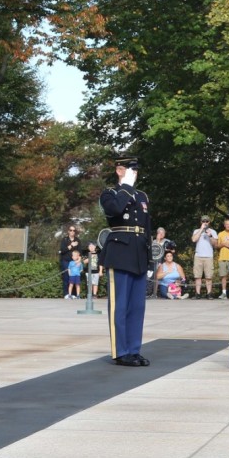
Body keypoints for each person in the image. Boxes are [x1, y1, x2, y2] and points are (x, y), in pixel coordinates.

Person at [99, 154, 153, 366]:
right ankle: (121, 351)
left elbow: (146, 227)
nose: (135, 173)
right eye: (130, 169)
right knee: (119, 306)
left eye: (136, 170)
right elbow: (115, 210)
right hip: (120, 251)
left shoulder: (142, 196)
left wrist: (149, 259)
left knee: (137, 307)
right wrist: (126, 187)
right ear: (119, 170)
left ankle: (133, 349)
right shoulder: (110, 193)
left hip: (139, 251)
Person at [191, 216, 218, 298]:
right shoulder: (196, 231)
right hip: (198, 256)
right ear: (201, 222)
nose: (205, 223)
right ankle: (197, 294)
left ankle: (209, 293)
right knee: (197, 276)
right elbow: (194, 240)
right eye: (203, 221)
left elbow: (215, 244)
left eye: (207, 221)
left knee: (209, 276)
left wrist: (210, 236)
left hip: (209, 256)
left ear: (209, 222)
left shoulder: (213, 231)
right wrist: (201, 230)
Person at [58, 225, 83, 295]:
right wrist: (71, 245)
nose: (72, 231)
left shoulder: (78, 240)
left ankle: (74, 294)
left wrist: (79, 261)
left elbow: (80, 252)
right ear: (68, 231)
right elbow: (62, 251)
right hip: (66, 261)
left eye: (74, 230)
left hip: (75, 262)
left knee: (75, 277)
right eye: (71, 230)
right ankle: (66, 294)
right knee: (67, 276)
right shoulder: (64, 240)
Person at [216, 219, 229, 300]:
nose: (228, 225)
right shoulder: (220, 234)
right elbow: (217, 246)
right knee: (223, 276)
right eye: (226, 224)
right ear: (224, 225)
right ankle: (223, 293)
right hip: (222, 257)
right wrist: (223, 244)